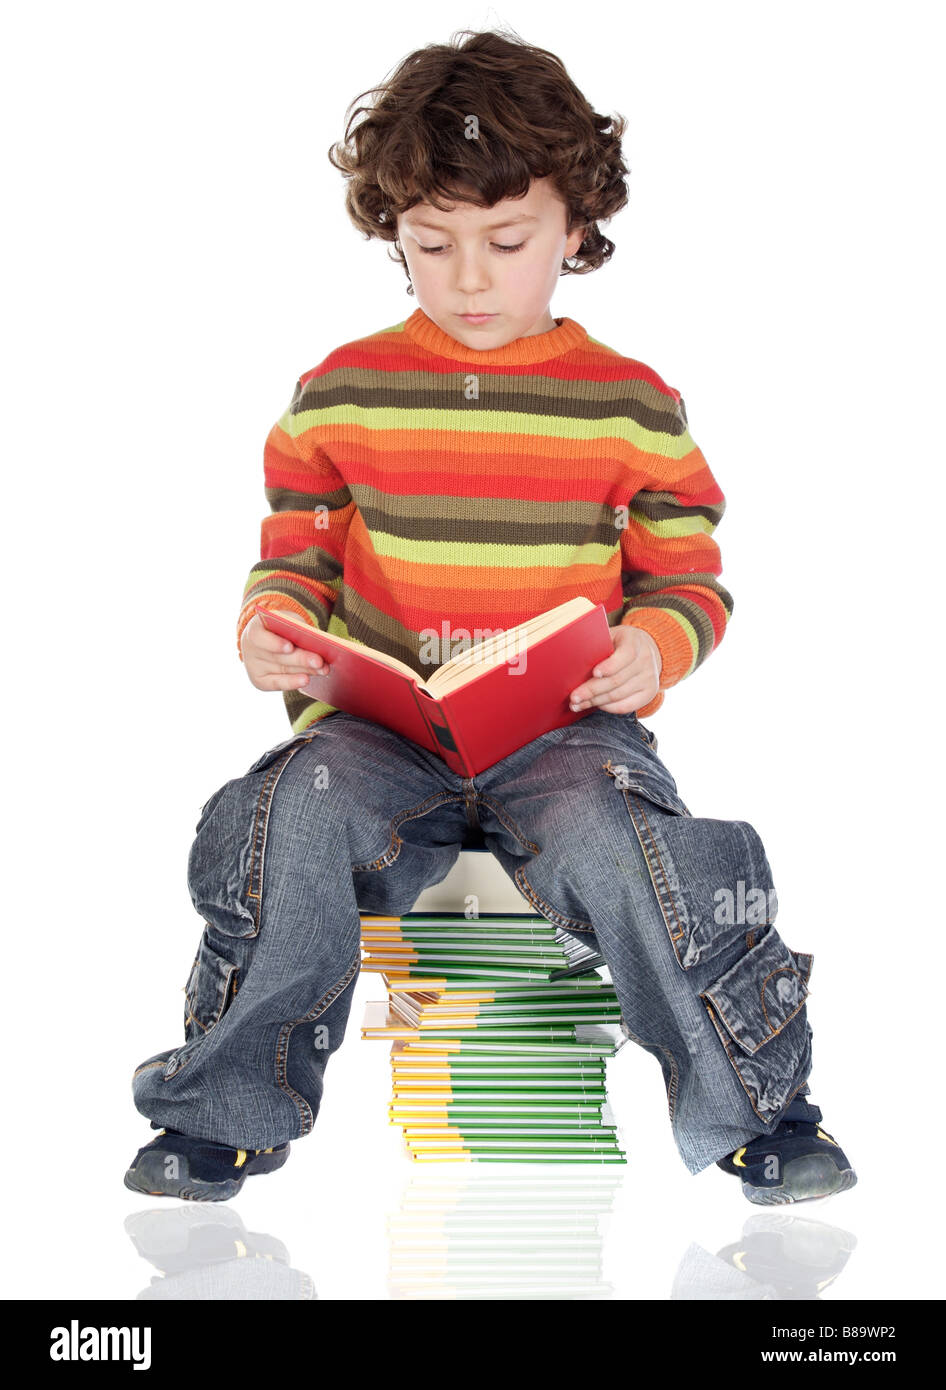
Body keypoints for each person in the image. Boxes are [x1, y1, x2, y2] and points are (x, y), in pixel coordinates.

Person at [126, 28, 855, 1206]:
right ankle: (222, 1113)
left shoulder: (628, 401)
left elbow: (688, 576)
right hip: (375, 736)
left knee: (634, 852)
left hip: (562, 731)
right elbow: (298, 549)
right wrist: (270, 620)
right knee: (280, 817)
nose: (468, 280)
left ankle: (759, 1116)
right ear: (392, 235)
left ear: (576, 228)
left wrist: (648, 646)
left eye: (507, 242)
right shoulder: (342, 389)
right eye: (429, 245)